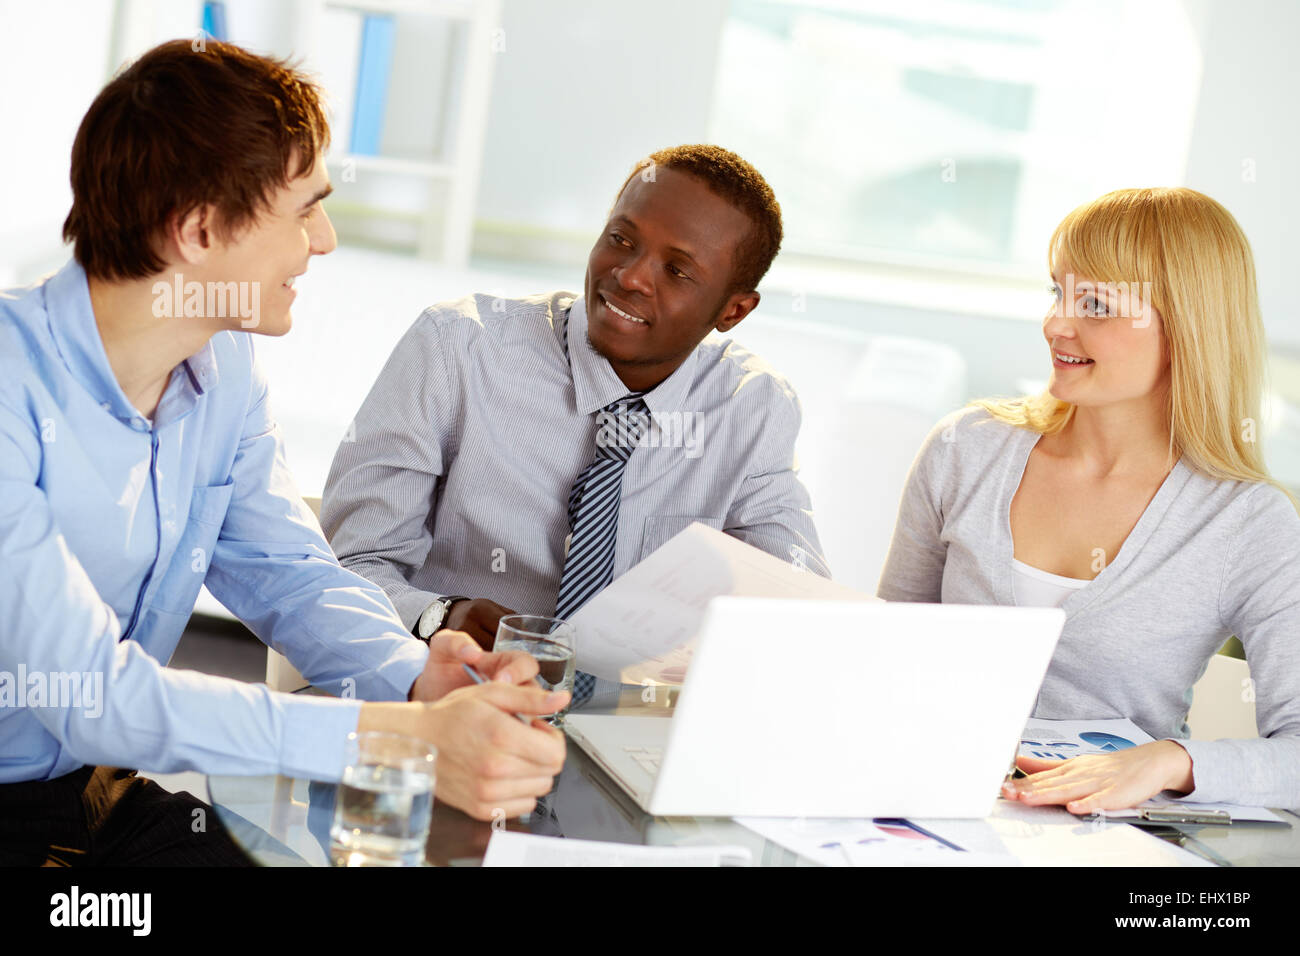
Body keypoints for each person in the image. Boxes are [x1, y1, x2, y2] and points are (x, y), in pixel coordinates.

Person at [0, 40, 566, 866]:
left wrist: (414, 679)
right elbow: (93, 697)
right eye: (304, 209)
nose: (326, 239)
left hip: (93, 798)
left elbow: (286, 572)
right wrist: (401, 736)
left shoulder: (220, 369)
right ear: (198, 229)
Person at [322, 144, 829, 704]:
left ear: (733, 311)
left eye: (678, 270)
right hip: (450, 701)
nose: (630, 276)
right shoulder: (457, 347)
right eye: (621, 240)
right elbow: (347, 568)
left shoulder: (751, 406)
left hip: (624, 726)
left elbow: (796, 609)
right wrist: (440, 615)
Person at [878, 187, 1300, 811]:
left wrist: (1172, 761)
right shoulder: (965, 450)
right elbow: (884, 652)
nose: (1056, 323)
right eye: (1058, 291)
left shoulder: (1245, 521)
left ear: (1188, 325)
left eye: (1096, 303)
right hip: (919, 801)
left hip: (1100, 837)